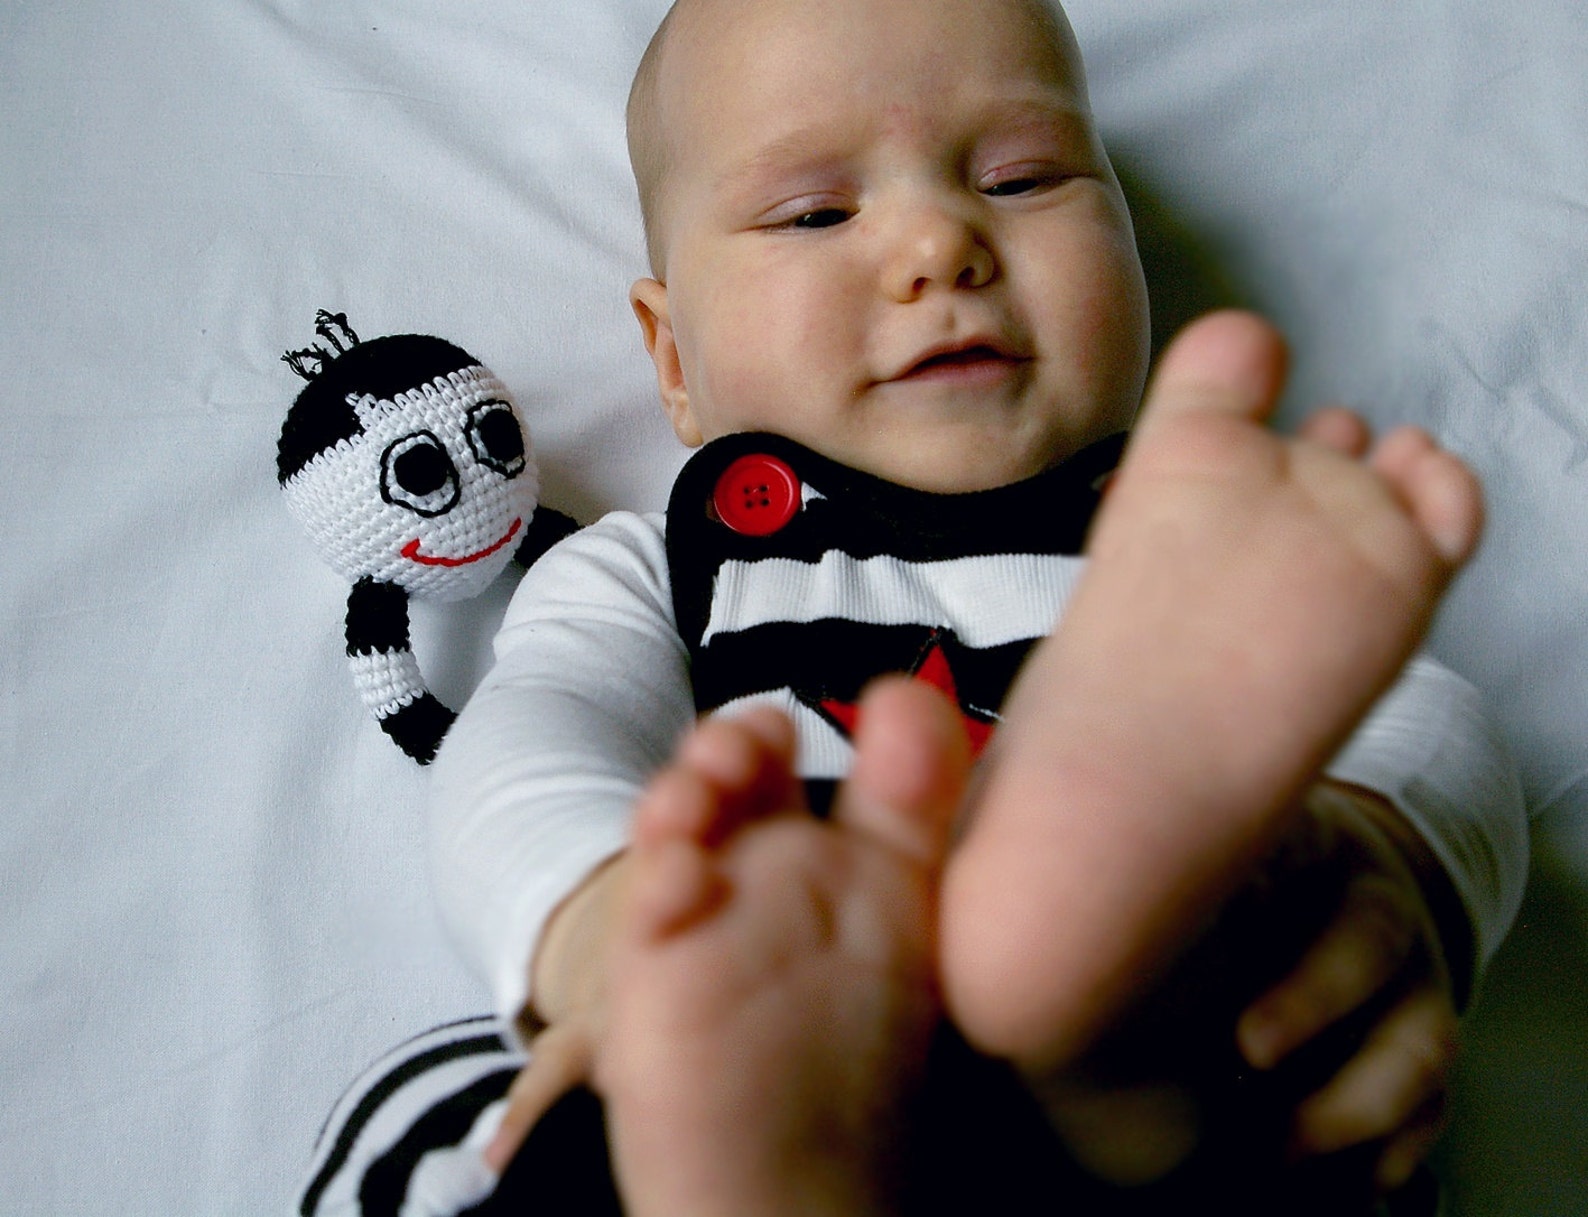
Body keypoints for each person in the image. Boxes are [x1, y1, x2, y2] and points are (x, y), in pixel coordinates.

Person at [298, 0, 1526, 1212]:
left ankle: (1115, 1010)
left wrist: (1374, 854)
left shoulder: (1197, 547)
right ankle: (829, 1118)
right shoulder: (650, 571)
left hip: (1186, 1088)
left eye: (1023, 178)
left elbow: (1425, 718)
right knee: (462, 1122)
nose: (939, 243)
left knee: (1247, 1040)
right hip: (774, 1024)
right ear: (675, 363)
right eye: (816, 211)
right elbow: (534, 731)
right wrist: (612, 937)